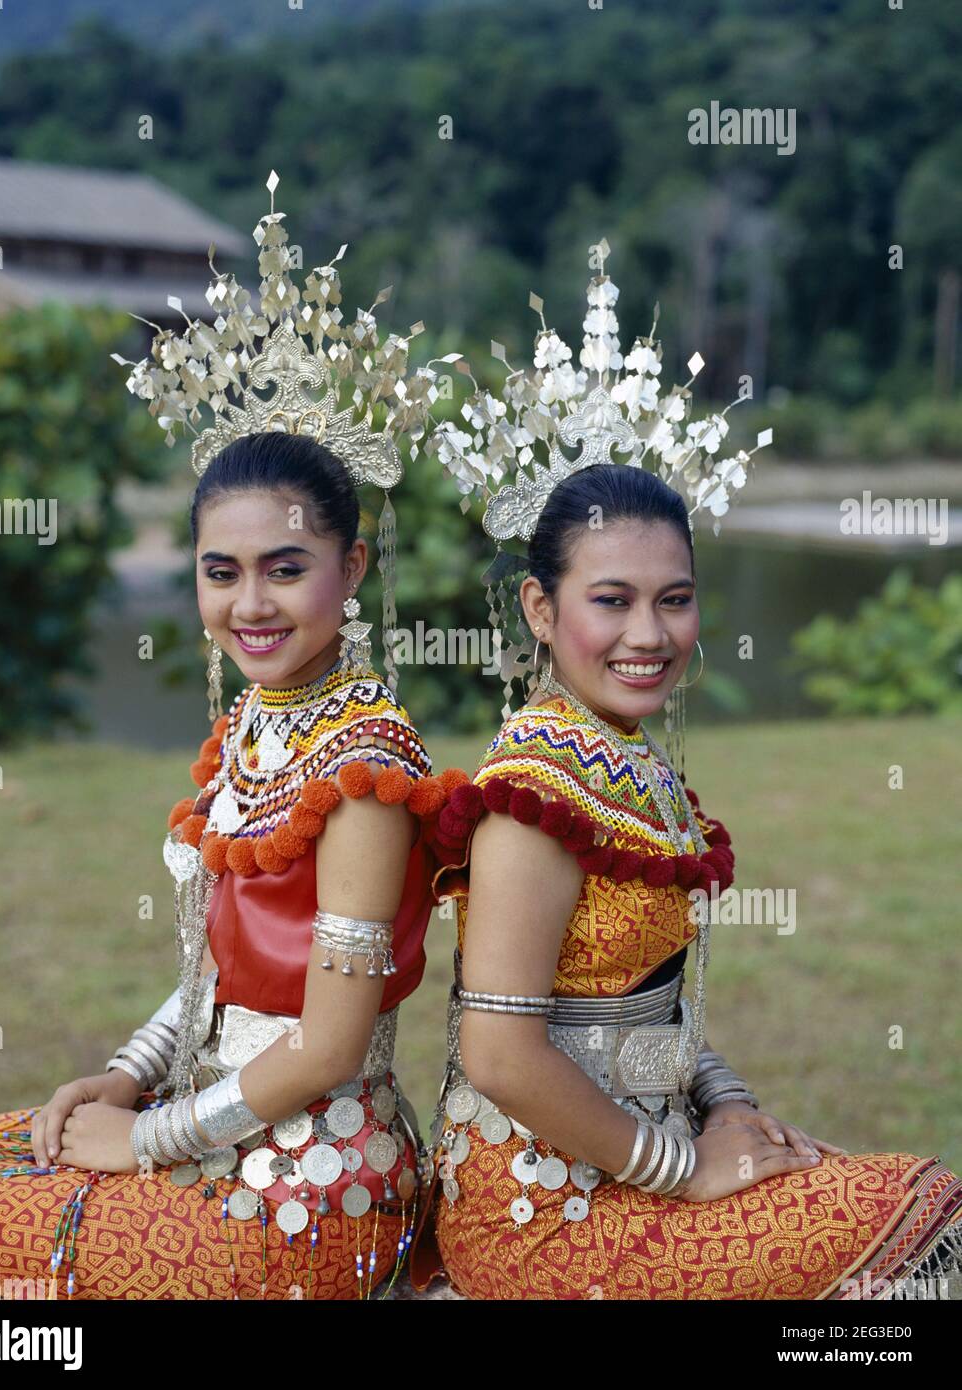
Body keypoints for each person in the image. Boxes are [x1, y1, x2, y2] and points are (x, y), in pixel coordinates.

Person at [0, 175, 458, 1301]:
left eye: (286, 568)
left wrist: (147, 1140)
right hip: (214, 1127)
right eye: (221, 573)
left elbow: (324, 1044)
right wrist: (122, 1077)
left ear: (350, 569)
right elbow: (215, 977)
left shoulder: (366, 765)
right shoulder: (249, 734)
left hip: (315, 1183)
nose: (250, 604)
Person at [411, 251, 962, 1300]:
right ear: (540, 610)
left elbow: (649, 1013)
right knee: (922, 1206)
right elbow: (496, 1053)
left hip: (641, 1150)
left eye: (673, 599)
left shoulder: (636, 771)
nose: (647, 634)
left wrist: (727, 1103)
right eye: (609, 600)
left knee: (890, 1208)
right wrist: (685, 1166)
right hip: (540, 1210)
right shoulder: (528, 795)